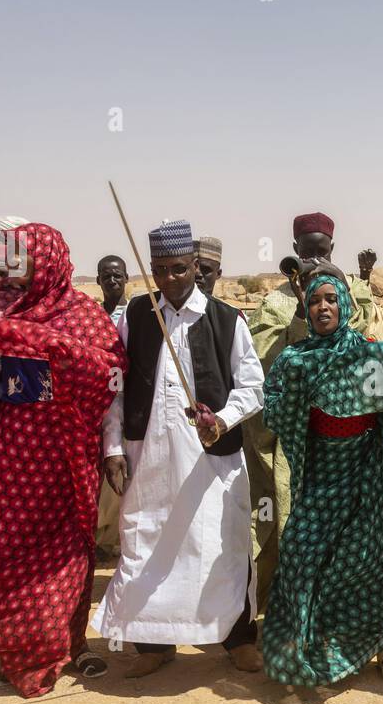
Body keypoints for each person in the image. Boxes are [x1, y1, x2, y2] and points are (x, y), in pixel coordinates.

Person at [0, 224, 125, 697]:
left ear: (48, 259)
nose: (14, 265)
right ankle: (21, 648)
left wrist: (53, 351)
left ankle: (73, 644)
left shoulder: (82, 313)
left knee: (65, 551)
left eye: (25, 256)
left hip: (65, 447)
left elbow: (107, 375)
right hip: (7, 445)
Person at [94, 220, 264, 678]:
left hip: (213, 463)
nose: (169, 280)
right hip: (148, 459)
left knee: (222, 547)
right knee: (147, 546)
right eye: (160, 271)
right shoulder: (134, 316)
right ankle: (154, 642)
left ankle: (237, 638)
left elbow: (253, 388)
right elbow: (116, 391)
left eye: (179, 270)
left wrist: (222, 419)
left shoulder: (227, 319)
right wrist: (112, 447)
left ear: (196, 268)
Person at [262, 273, 383, 686]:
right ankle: (306, 639)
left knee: (367, 557)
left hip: (366, 470)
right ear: (305, 310)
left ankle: (378, 640)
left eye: (330, 299)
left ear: (345, 304)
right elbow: (274, 411)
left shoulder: (372, 355)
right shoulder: (295, 360)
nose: (323, 307)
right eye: (314, 302)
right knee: (301, 551)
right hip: (320, 471)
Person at [244, 212, 376, 611]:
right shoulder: (275, 302)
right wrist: (303, 311)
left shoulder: (355, 293)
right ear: (296, 252)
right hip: (296, 443)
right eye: (308, 253)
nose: (315, 260)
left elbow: (366, 343)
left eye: (323, 253)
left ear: (332, 250)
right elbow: (264, 358)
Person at [97, 255, 129, 323]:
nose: (112, 281)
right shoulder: (93, 315)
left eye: (117, 276)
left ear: (126, 278)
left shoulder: (136, 312)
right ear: (98, 280)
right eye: (106, 277)